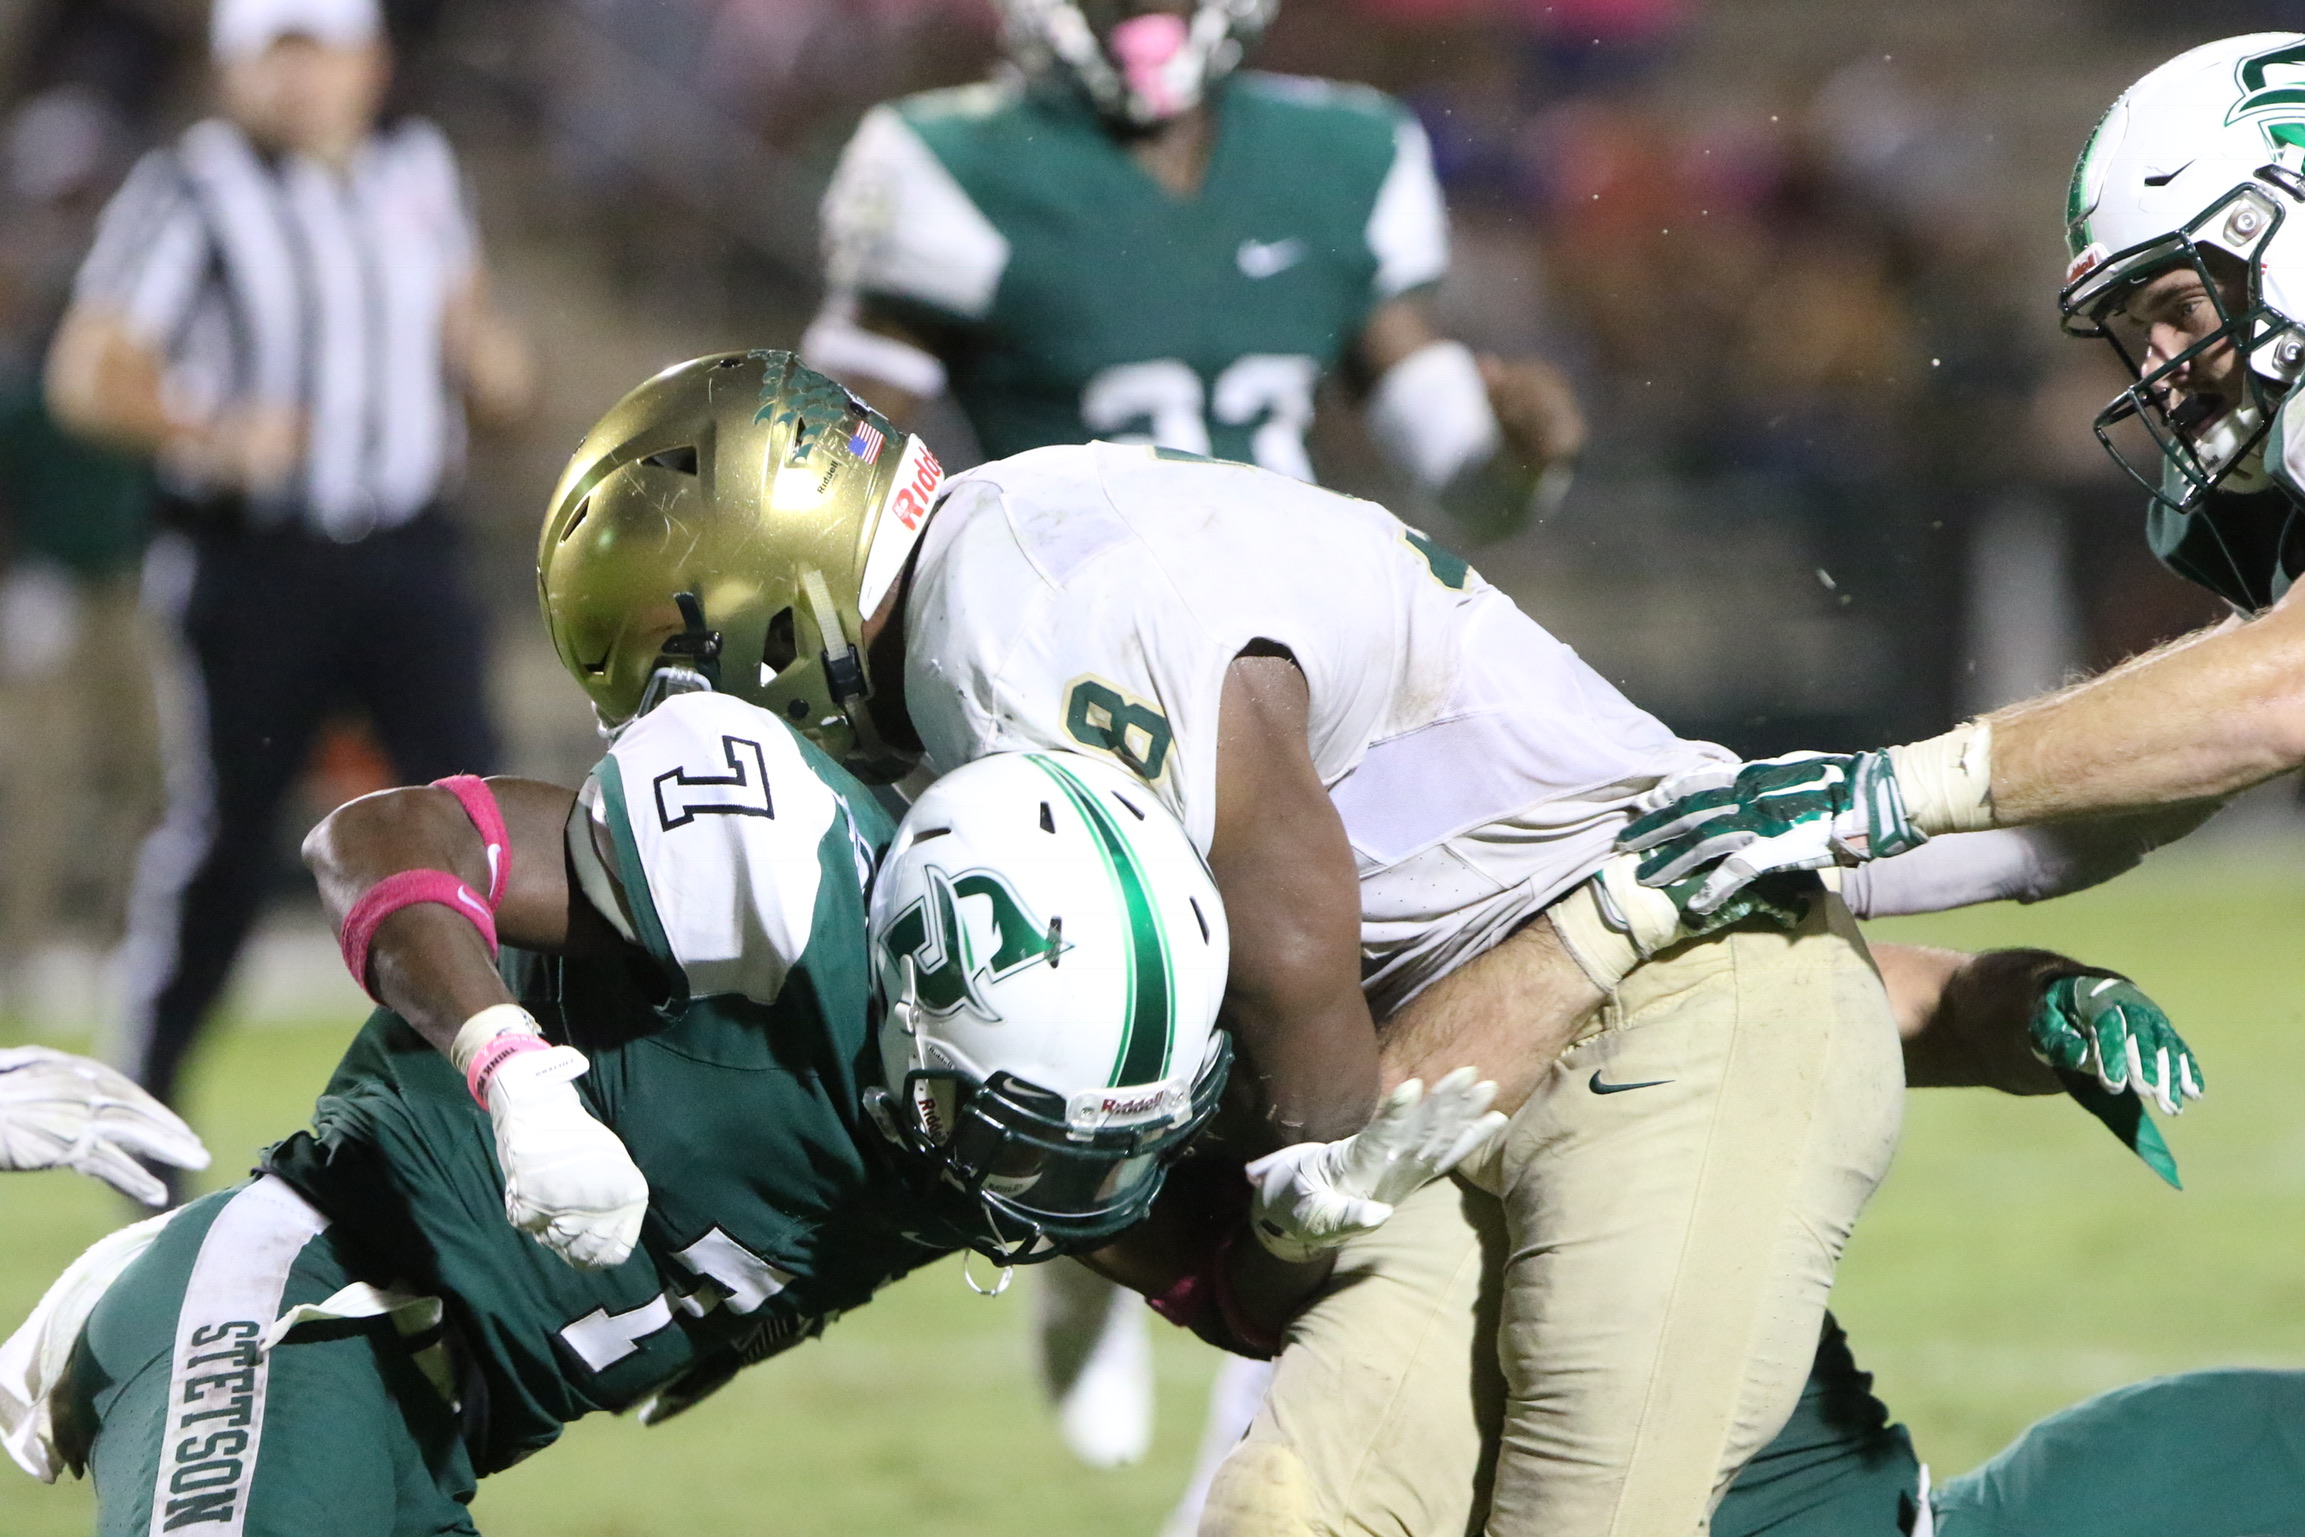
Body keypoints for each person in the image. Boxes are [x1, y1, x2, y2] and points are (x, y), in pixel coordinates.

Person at [542, 350, 1923, 1537]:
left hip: (1627, 989)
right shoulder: (996, 562)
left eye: (681, 667)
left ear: (762, 600)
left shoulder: (1002, 627)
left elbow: (1284, 931)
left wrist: (1299, 1194)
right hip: (1501, 1009)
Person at [806, 2, 1585, 1469]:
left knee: (1313, 1065)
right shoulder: (950, 160)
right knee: (1125, 1042)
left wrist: (1514, 457)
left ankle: (1261, 1388)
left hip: (1283, 674)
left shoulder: (1338, 149)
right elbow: (844, 459)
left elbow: (1446, 457)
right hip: (1071, 684)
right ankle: (1090, 1244)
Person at [43, 0, 533, 1146]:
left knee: (481, 814)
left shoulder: (420, 167)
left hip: (409, 545)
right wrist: (208, 428)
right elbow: (88, 370)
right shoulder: (194, 187)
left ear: (371, 61)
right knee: (225, 835)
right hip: (255, 557)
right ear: (233, 70)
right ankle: (142, 1109)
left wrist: (498, 372)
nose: (299, 82)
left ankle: (519, 1075)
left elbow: (474, 337)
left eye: (318, 53)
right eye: (277, 57)